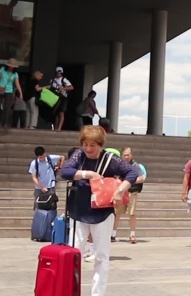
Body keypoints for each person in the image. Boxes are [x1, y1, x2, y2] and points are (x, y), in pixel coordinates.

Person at [60, 126, 139, 296]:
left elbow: (132, 173)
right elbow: (65, 172)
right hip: (78, 212)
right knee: (74, 255)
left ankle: (97, 294)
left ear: (100, 145)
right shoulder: (78, 155)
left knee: (102, 257)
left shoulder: (111, 159)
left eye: (92, 145)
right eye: (85, 144)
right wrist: (88, 174)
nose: (88, 149)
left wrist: (120, 191)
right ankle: (70, 291)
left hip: (102, 212)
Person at [113, 147, 147, 244]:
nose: (127, 157)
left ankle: (132, 234)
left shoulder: (135, 166)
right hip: (122, 192)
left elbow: (141, 178)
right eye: (125, 155)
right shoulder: (119, 166)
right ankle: (113, 234)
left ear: (132, 155)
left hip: (132, 192)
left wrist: (129, 181)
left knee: (132, 213)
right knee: (117, 213)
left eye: (128, 155)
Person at [0, 58, 23, 129]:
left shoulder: (15, 74)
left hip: (9, 91)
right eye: (10, 65)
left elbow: (17, 84)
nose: (11, 67)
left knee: (7, 108)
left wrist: (20, 93)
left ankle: (5, 123)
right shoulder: (2, 69)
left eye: (12, 66)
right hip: (0, 89)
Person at [50, 66, 74, 131]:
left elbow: (71, 87)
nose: (58, 74)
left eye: (60, 72)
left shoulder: (64, 80)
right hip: (55, 98)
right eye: (57, 72)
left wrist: (63, 88)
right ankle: (54, 127)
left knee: (61, 112)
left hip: (63, 98)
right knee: (54, 113)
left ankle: (59, 128)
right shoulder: (52, 80)